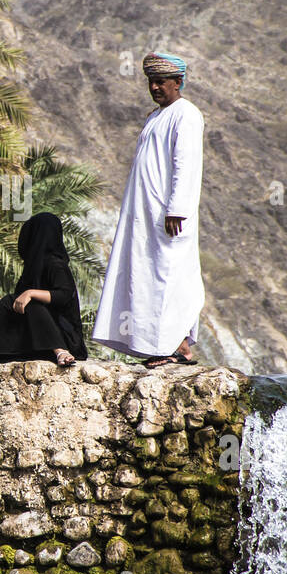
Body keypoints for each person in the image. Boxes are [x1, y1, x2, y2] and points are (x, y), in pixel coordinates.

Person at [92, 52, 205, 369]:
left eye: (161, 82)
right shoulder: (155, 116)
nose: (155, 87)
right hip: (146, 215)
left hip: (168, 216)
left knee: (168, 276)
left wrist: (177, 209)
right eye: (151, 82)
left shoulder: (186, 114)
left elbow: (186, 164)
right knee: (148, 277)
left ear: (178, 82)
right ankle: (166, 345)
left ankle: (175, 345)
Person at [0, 212, 87, 368]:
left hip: (66, 339)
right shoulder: (32, 269)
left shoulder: (56, 264)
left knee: (31, 302)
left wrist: (30, 293)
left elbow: (64, 295)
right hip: (38, 340)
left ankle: (61, 352)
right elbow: (18, 302)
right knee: (14, 301)